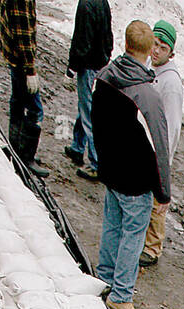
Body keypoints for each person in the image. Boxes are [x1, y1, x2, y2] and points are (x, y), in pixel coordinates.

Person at [91, 20, 171, 309]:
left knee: (112, 224)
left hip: (111, 170)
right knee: (133, 234)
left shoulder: (105, 77)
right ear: (150, 50)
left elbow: (95, 122)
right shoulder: (146, 94)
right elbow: (160, 146)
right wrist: (163, 191)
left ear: (125, 45)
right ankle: (121, 296)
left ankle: (104, 277)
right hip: (136, 179)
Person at [138, 20, 184, 267]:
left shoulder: (171, 84)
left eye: (162, 47)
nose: (156, 50)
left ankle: (153, 247)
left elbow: (173, 125)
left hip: (158, 149)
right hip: (142, 142)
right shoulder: (148, 65)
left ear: (171, 52)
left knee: (158, 200)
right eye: (154, 44)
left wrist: (164, 158)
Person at [0, 0, 48, 178]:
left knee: (17, 101)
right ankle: (26, 158)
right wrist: (30, 69)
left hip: (12, 52)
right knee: (35, 109)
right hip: (20, 58)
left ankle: (16, 148)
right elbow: (23, 32)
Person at [63, 0, 113, 183]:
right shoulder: (102, 2)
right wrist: (107, 54)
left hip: (88, 65)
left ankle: (96, 164)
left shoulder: (85, 5)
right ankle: (77, 147)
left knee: (88, 114)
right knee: (86, 107)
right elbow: (108, 33)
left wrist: (72, 65)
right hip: (100, 62)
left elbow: (81, 40)